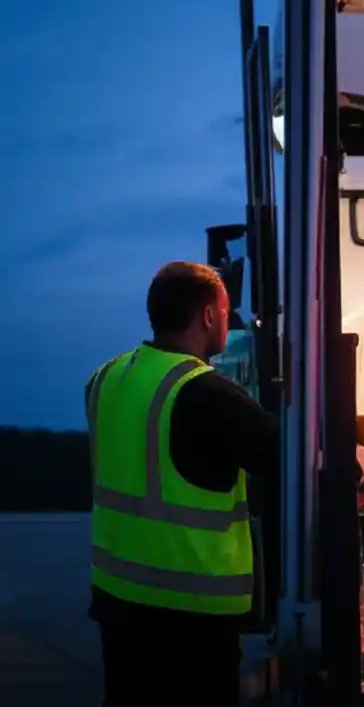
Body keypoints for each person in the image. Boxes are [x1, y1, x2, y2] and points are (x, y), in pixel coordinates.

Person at [85, 261, 277, 706]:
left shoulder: (103, 379)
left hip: (119, 604)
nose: (229, 321)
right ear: (208, 316)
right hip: (191, 620)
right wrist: (358, 465)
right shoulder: (204, 393)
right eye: (227, 312)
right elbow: (291, 458)